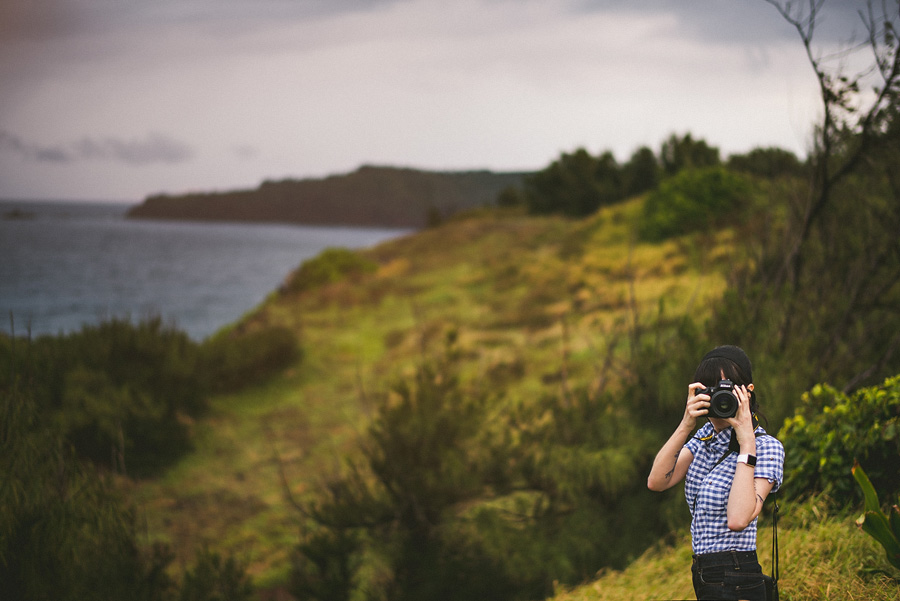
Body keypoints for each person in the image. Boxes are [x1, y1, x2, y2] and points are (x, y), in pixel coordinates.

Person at [647, 345, 784, 601]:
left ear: (748, 391)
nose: (720, 399)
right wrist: (687, 423)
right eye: (711, 390)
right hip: (703, 574)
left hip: (737, 576)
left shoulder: (767, 447)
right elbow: (657, 481)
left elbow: (738, 519)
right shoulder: (704, 437)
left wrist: (746, 443)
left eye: (727, 389)